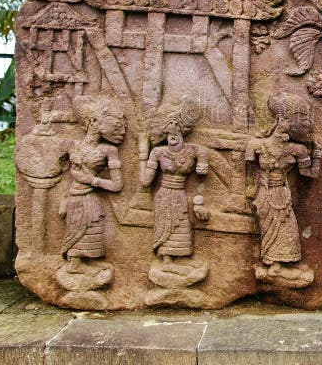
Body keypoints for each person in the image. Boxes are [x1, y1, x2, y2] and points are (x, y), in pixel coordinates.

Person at [245, 92, 321, 288]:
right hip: (264, 194)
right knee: (270, 228)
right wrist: (251, 190)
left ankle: (279, 266)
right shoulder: (256, 145)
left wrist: (318, 152)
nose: (306, 123)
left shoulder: (298, 150)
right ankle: (273, 265)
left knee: (288, 229)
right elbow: (248, 171)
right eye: (301, 118)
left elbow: (309, 174)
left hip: (282, 195)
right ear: (283, 120)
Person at [140, 97, 210, 287]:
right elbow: (145, 182)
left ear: (182, 129)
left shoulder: (196, 151)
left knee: (181, 227)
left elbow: (201, 180)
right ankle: (166, 262)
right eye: (168, 128)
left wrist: (198, 201)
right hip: (164, 194)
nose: (172, 132)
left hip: (180, 194)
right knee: (165, 227)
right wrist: (143, 156)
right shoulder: (158, 153)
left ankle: (178, 262)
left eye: (175, 127)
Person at [58, 95, 125, 286]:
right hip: (74, 197)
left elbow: (117, 185)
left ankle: (84, 263)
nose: (121, 131)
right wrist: (63, 197)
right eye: (116, 125)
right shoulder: (72, 146)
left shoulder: (108, 151)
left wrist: (93, 180)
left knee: (93, 230)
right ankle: (75, 264)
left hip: (91, 198)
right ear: (94, 121)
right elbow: (61, 174)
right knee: (75, 229)